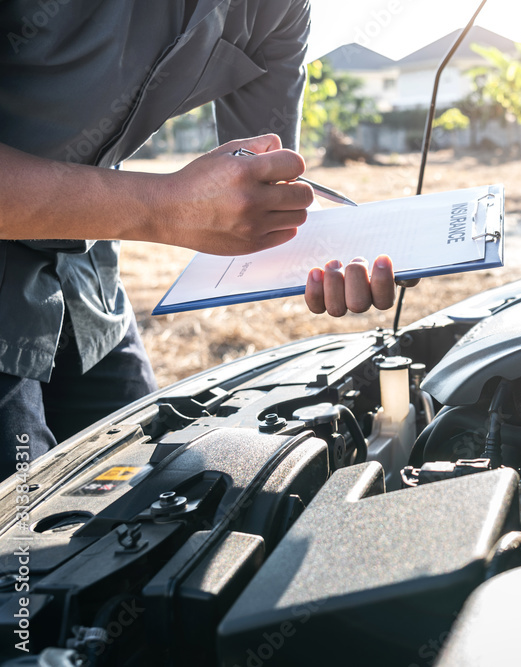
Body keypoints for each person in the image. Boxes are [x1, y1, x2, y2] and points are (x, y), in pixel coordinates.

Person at [0, 0, 400, 476]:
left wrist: (338, 251)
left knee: (145, 480)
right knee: (20, 522)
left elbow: (262, 192)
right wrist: (164, 208)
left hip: (87, 274)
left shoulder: (279, 10)